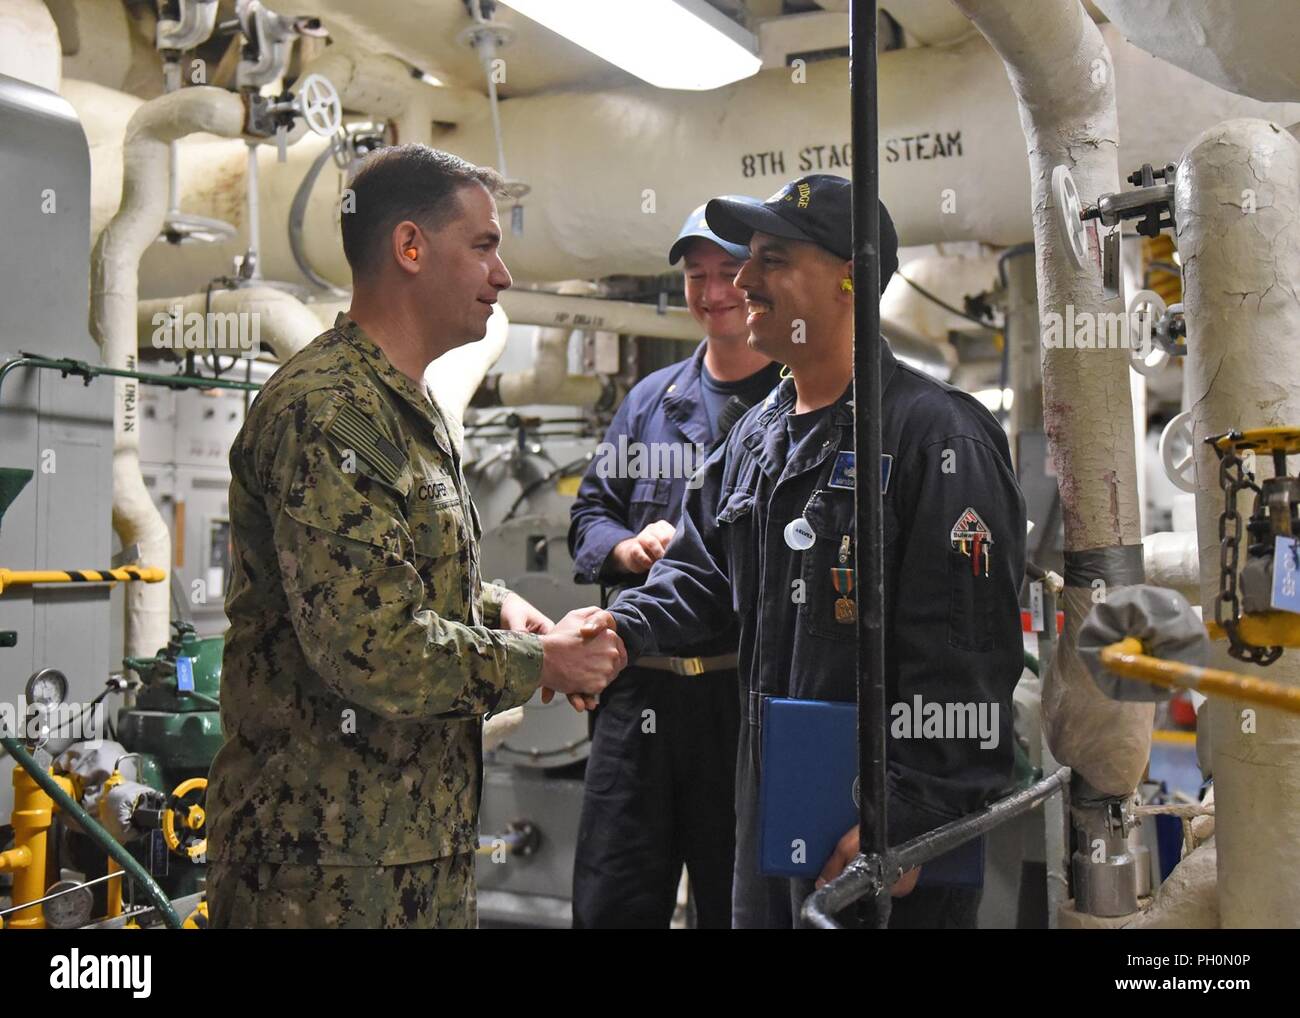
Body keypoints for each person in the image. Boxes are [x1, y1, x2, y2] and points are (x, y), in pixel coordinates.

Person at [206, 145, 625, 929]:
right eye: (485, 246)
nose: (501, 276)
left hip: (408, 850)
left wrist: (495, 606)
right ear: (409, 247)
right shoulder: (330, 412)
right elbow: (374, 649)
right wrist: (544, 662)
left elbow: (398, 572)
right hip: (319, 871)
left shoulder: (404, 406)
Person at [600, 174, 1027, 928]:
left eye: (772, 259)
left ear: (848, 278)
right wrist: (616, 631)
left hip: (886, 845)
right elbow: (700, 574)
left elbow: (968, 657)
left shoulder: (936, 436)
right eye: (746, 259)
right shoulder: (757, 435)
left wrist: (911, 816)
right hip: (775, 817)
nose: (741, 281)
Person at [568, 200, 783, 928]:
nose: (714, 290)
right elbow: (588, 516)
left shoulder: (792, 405)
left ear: (757, 278)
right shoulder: (650, 403)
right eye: (697, 275)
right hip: (638, 698)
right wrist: (629, 548)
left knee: (737, 905)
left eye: (729, 271)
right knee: (613, 898)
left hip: (740, 701)